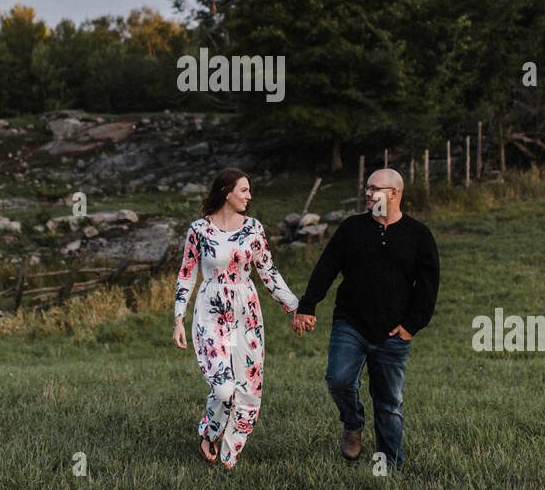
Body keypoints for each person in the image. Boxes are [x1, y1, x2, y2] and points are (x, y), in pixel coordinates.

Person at [292, 168, 439, 468]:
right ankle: (352, 423)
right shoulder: (352, 229)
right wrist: (307, 305)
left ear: (395, 194)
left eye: (375, 189)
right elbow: (326, 268)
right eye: (367, 188)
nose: (368, 194)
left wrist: (411, 326)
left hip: (394, 332)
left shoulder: (418, 235)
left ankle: (388, 465)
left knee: (389, 405)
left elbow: (428, 287)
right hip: (351, 323)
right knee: (339, 380)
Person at [173, 168, 299, 468]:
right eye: (244, 190)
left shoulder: (253, 229)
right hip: (211, 311)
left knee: (248, 386)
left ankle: (231, 449)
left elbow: (267, 271)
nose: (249, 196)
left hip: (246, 312)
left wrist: (295, 305)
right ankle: (209, 431)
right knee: (224, 387)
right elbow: (187, 274)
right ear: (227, 191)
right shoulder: (199, 230)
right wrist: (178, 318)